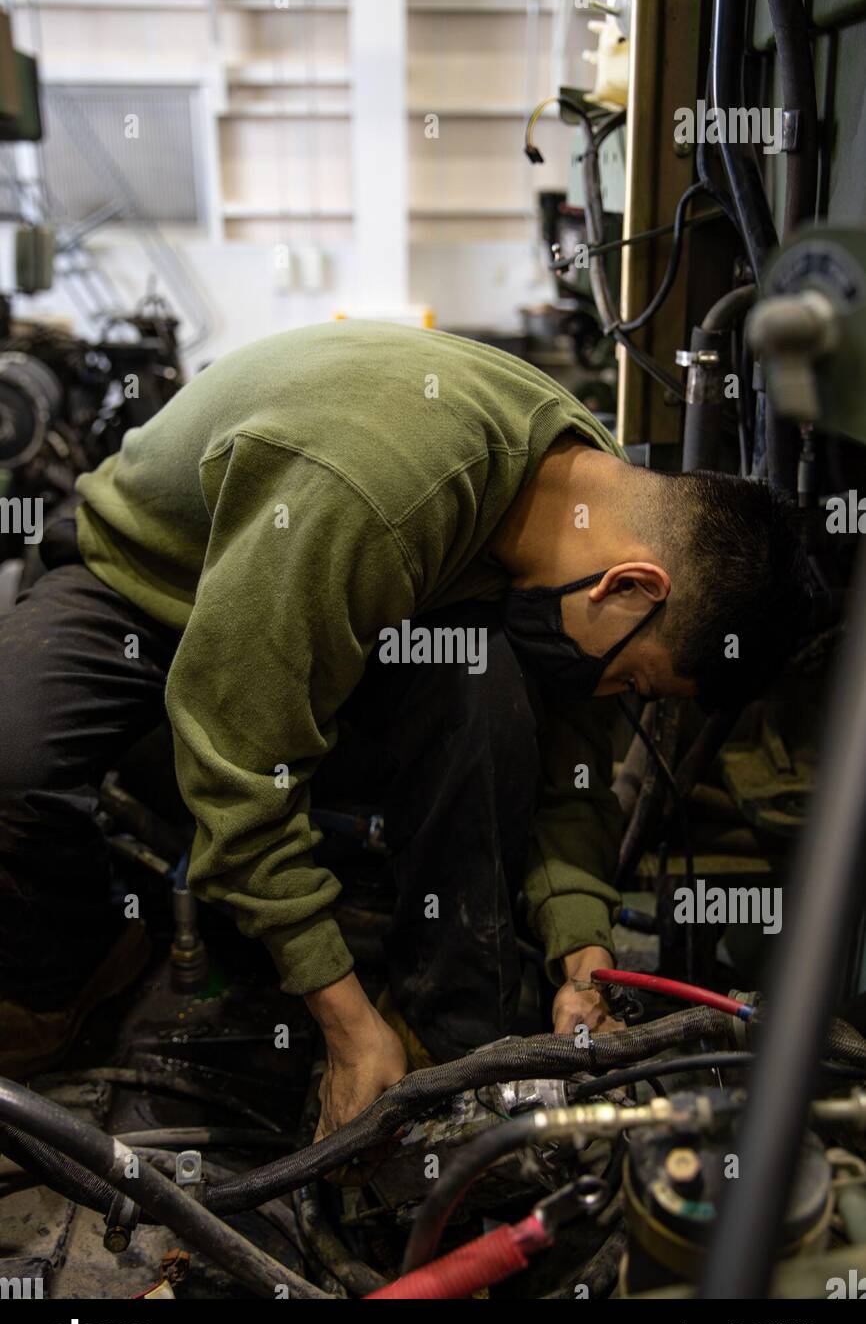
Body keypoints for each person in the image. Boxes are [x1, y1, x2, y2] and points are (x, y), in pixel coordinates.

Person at [0, 321, 810, 1137]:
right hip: (145, 577)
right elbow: (236, 767)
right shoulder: (375, 493)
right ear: (634, 585)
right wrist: (345, 1023)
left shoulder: (595, 502)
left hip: (331, 597)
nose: (613, 691)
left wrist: (583, 951)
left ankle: (446, 1051)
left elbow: (572, 775)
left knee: (485, 691)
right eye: (634, 678)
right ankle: (78, 963)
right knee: (11, 767)